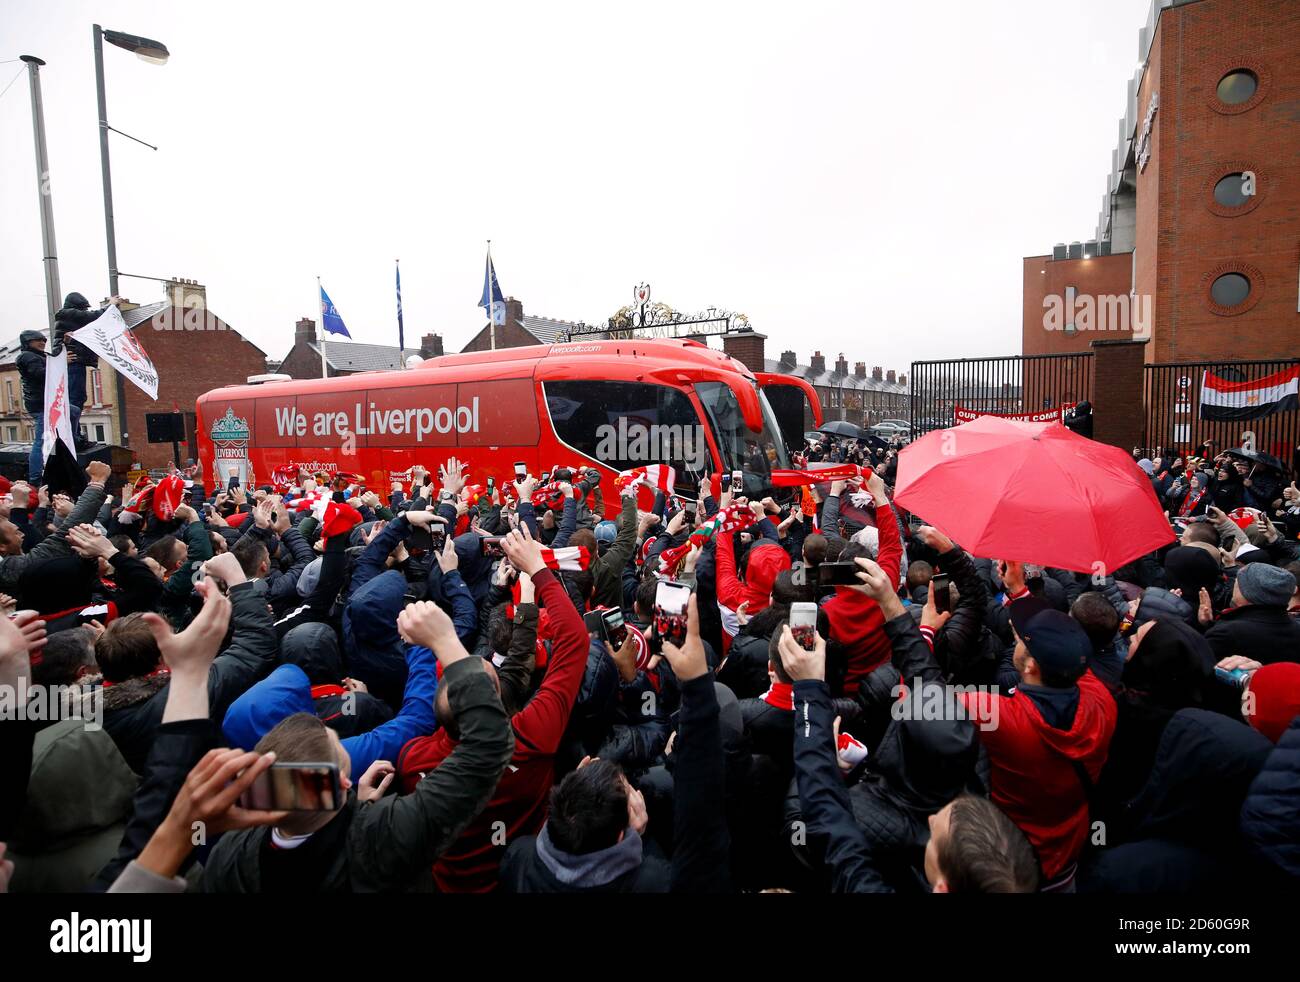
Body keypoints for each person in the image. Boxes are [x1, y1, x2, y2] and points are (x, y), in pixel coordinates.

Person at [52, 292, 102, 439]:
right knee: (75, 399)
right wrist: (110, 305)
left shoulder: (69, 317)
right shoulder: (69, 314)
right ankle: (73, 436)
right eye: (83, 309)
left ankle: (74, 434)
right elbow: (93, 317)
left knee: (76, 399)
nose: (85, 312)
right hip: (73, 362)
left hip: (75, 362)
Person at [15, 331, 48, 483]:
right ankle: (35, 477)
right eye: (38, 340)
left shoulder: (39, 356)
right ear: (28, 342)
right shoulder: (28, 357)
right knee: (40, 441)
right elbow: (39, 374)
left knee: (73, 411)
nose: (42, 342)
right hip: (40, 404)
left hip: (44, 402)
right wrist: (61, 364)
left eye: (43, 339)